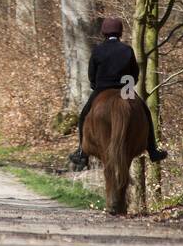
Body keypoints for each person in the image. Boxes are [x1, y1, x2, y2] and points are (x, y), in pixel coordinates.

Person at [69, 16, 167, 169]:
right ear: (120, 33)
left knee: (83, 115)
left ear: (104, 33)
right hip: (125, 91)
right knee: (146, 112)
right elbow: (134, 74)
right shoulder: (127, 50)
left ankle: (82, 153)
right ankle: (153, 150)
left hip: (102, 89)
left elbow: (91, 75)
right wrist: (128, 85)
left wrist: (97, 85)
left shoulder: (98, 50)